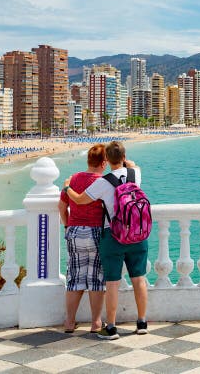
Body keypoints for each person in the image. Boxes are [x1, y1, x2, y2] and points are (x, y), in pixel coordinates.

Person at [63, 140, 148, 340]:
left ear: (107, 160)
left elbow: (79, 199)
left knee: (112, 283)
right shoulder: (136, 174)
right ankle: (142, 322)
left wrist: (67, 188)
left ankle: (111, 327)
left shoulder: (102, 182)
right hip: (137, 233)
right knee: (139, 279)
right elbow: (134, 164)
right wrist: (126, 162)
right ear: (124, 157)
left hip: (114, 236)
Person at [58, 144, 108, 333]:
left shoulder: (73, 179)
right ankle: (96, 323)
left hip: (75, 231)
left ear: (88, 160)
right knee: (96, 279)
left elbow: (61, 207)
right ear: (104, 163)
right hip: (95, 232)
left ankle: (69, 322)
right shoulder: (103, 182)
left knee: (75, 278)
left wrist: (68, 225)